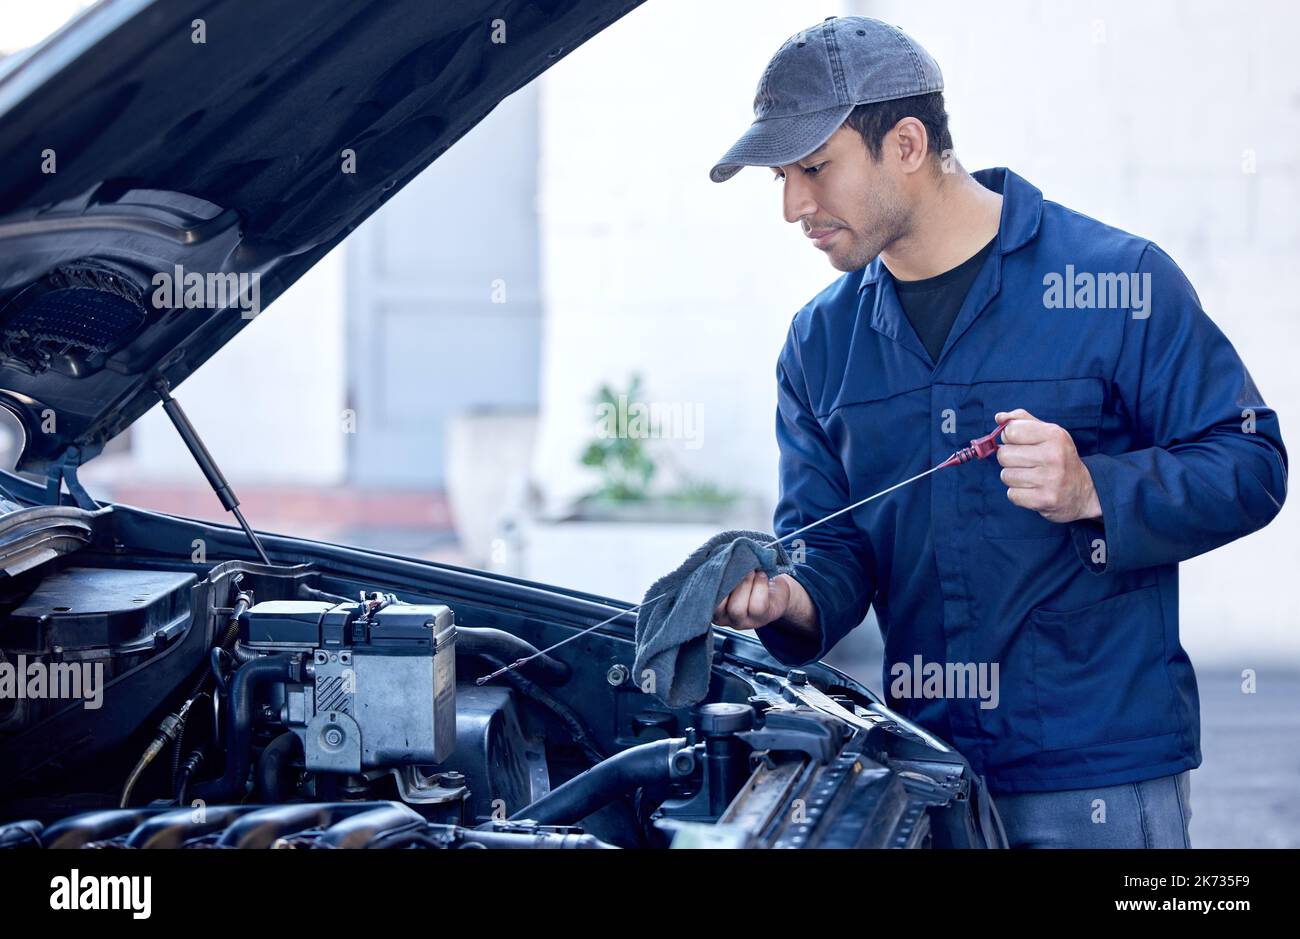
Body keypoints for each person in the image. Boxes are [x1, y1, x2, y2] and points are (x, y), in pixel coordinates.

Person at [707, 15, 1287, 848]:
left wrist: (1094, 488)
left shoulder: (1116, 281)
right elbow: (831, 552)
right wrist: (787, 599)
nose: (795, 204)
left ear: (906, 144)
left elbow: (1251, 462)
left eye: (814, 168)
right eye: (782, 178)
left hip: (1098, 778)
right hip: (923, 775)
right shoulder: (820, 342)